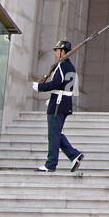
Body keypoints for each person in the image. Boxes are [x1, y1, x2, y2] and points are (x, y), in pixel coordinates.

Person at [31, 39, 83, 172]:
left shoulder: (61, 66)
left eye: (57, 51)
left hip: (58, 104)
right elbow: (66, 87)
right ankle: (74, 155)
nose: (55, 53)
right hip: (63, 102)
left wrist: (40, 87)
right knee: (56, 133)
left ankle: (51, 164)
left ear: (63, 51)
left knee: (53, 134)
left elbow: (56, 83)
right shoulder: (70, 67)